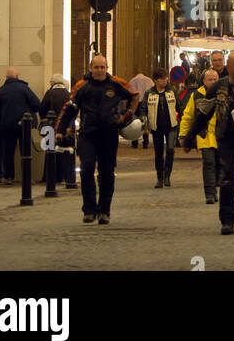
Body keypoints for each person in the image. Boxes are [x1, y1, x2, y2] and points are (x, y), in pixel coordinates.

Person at [187, 51, 234, 234]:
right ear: (228, 67)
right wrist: (189, 137)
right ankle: (227, 219)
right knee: (227, 178)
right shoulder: (218, 87)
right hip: (226, 139)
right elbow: (203, 113)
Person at [56, 55, 136, 224]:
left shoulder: (117, 83)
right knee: (86, 170)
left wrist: (125, 116)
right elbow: (69, 108)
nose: (99, 70)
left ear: (107, 68)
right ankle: (89, 210)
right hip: (88, 134)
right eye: (96, 67)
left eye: (102, 67)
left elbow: (134, 96)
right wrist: (60, 130)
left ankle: (104, 211)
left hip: (109, 134)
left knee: (107, 173)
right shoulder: (82, 86)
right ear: (90, 68)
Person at [0, 67, 42, 185]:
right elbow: (36, 104)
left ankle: (9, 176)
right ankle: (26, 177)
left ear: (7, 78)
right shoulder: (24, 88)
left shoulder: (2, 90)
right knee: (25, 152)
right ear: (17, 77)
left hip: (7, 125)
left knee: (8, 152)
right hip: (23, 125)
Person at [180, 67, 219, 204]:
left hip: (221, 136)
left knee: (220, 165)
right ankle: (210, 193)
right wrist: (183, 135)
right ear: (204, 81)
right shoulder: (196, 95)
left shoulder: (224, 93)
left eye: (215, 79)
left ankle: (215, 188)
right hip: (204, 136)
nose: (213, 82)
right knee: (209, 163)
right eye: (210, 79)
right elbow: (188, 116)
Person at [141, 68, 181, 188]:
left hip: (171, 126)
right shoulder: (149, 93)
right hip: (156, 127)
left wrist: (183, 122)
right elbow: (143, 110)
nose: (165, 80)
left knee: (170, 150)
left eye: (166, 78)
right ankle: (160, 177)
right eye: (162, 78)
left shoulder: (172, 91)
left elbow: (179, 106)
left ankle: (167, 175)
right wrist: (145, 126)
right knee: (158, 153)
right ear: (156, 80)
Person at [38, 73, 74, 188]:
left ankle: (51, 177)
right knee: (65, 151)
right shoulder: (69, 94)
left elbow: (42, 109)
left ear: (52, 83)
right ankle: (65, 176)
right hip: (67, 127)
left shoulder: (50, 93)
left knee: (51, 151)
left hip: (52, 127)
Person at [128, 68, 154, 148]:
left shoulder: (132, 81)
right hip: (145, 103)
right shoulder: (149, 80)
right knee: (144, 122)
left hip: (136, 103)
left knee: (134, 122)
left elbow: (129, 93)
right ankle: (145, 142)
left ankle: (134, 142)